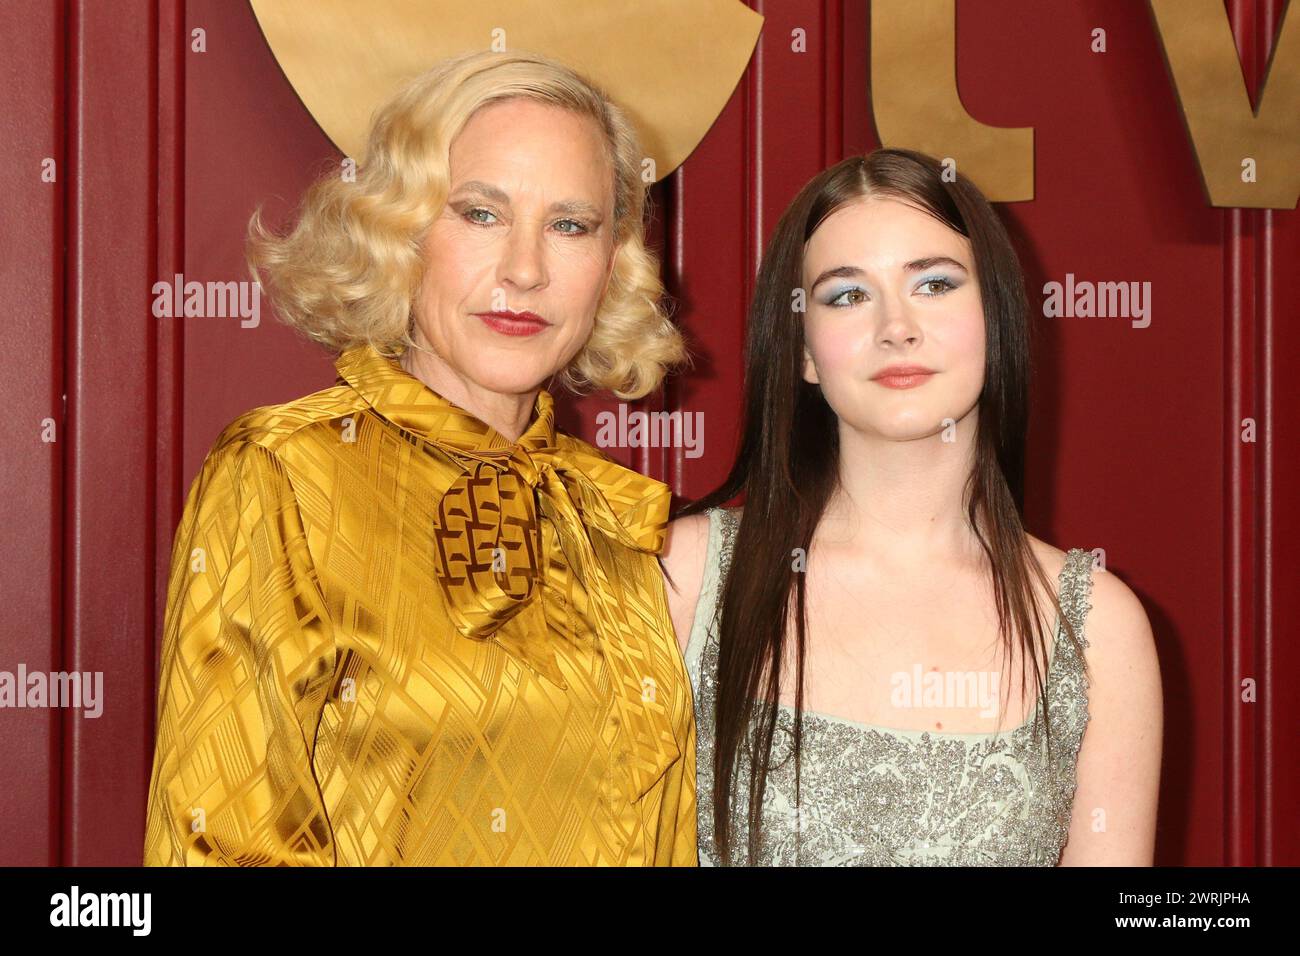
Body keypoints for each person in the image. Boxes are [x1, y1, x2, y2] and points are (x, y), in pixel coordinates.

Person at [143, 49, 697, 866]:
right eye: (479, 213)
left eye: (570, 225)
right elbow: (218, 845)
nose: (525, 269)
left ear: (612, 265)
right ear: (400, 230)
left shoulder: (614, 522)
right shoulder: (285, 474)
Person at [660, 148, 1163, 866]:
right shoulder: (687, 577)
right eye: (847, 295)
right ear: (804, 351)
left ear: (997, 318)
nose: (896, 326)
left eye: (933, 283)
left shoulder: (1094, 628)